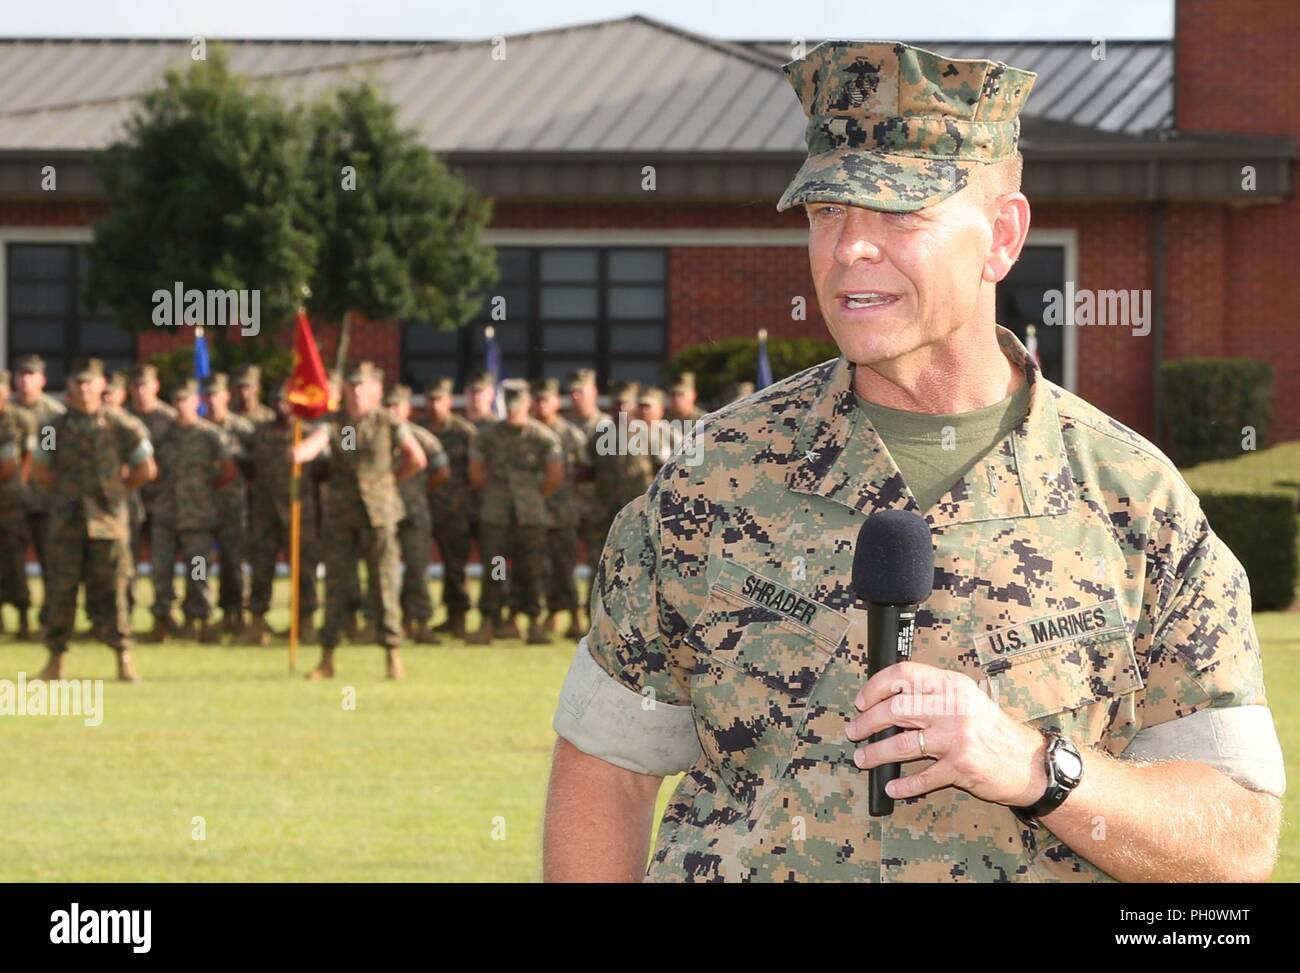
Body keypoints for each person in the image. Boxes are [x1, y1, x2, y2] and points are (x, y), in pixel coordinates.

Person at [543, 41, 1284, 883]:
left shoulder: (1134, 502)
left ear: (1001, 237)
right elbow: (607, 768)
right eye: (827, 211)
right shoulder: (711, 481)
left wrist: (1039, 766)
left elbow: (1235, 839)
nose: (849, 249)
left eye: (897, 213)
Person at [290, 362, 427, 679]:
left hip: (379, 517)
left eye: (362, 387)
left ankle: (392, 655)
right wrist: (301, 452)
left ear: (376, 391)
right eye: (351, 387)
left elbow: (416, 458)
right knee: (337, 584)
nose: (355, 393)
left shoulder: (388, 422)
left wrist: (388, 483)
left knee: (384, 583)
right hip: (342, 517)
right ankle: (327, 658)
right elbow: (318, 441)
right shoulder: (337, 424)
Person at [28, 357, 154, 682]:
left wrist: (119, 491)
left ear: (101, 386)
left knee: (114, 591)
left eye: (90, 383)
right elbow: (39, 469)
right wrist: (65, 493)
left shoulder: (122, 426)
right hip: (66, 523)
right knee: (61, 591)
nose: (84, 389)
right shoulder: (53, 429)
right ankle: (55, 663)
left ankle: (124, 660)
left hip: (108, 523)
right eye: (77, 383)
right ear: (69, 387)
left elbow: (146, 468)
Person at [466, 379, 563, 646]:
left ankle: (532, 624)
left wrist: (531, 496)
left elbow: (555, 477)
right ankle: (489, 622)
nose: (512, 407)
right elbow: (476, 473)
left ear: (527, 403)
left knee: (530, 570)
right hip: (496, 516)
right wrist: (498, 494)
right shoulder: (487, 435)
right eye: (508, 401)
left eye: (518, 401)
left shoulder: (543, 436)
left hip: (529, 517)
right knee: (495, 568)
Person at [144, 381, 237, 643]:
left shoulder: (210, 435)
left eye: (187, 400)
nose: (182, 406)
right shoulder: (162, 437)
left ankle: (200, 619)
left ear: (197, 402)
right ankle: (162, 619)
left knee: (198, 570)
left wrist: (204, 491)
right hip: (165, 514)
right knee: (161, 570)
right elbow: (150, 468)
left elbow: (228, 471)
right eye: (177, 401)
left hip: (198, 516)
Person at [246, 384, 320, 646]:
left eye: (287, 401)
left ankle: (305, 623)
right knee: (261, 568)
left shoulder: (309, 434)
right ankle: (257, 625)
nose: (281, 405)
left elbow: (326, 471)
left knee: (304, 570)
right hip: (265, 513)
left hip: (300, 512)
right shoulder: (258, 435)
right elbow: (247, 469)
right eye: (276, 400)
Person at [385, 384, 450, 644]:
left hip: (414, 512)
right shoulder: (378, 434)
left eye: (396, 405)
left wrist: (421, 489)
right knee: (384, 571)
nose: (391, 410)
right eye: (387, 405)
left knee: (417, 568)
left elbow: (442, 472)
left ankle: (421, 623)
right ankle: (389, 623)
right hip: (384, 514)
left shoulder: (420, 437)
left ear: (407, 408)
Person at [10, 353, 66, 638]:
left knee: (51, 561)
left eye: (31, 374)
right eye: (21, 374)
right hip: (11, 502)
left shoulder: (54, 415)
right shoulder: (4, 411)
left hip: (46, 503)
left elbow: (58, 459)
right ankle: (19, 618)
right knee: (10, 563)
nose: (25, 380)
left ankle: (49, 620)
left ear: (42, 379)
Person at [531, 378, 589, 639]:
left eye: (546, 399)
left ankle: (575, 618)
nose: (542, 405)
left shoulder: (571, 435)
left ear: (556, 402)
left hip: (564, 510)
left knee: (565, 565)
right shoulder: (528, 434)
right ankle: (550, 613)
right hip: (533, 511)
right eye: (538, 399)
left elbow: (586, 472)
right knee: (540, 566)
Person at [421, 378, 477, 639]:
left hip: (455, 509)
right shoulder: (419, 429)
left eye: (439, 400)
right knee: (417, 564)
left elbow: (476, 471)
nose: (434, 405)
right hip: (421, 506)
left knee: (455, 566)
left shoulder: (464, 431)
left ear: (449, 402)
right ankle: (417, 618)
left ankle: (458, 618)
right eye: (430, 399)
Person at [128, 363, 179, 638]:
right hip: (132, 502)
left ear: (156, 386)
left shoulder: (171, 419)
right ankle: (122, 617)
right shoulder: (123, 419)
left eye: (145, 385)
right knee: (127, 562)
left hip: (165, 502)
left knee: (163, 562)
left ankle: (164, 616)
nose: (140, 390)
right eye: (135, 385)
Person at [207, 373, 256, 639]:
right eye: (209, 395)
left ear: (226, 396)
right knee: (199, 562)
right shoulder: (198, 428)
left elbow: (255, 467)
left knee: (233, 562)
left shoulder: (243, 429)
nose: (213, 400)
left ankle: (236, 613)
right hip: (201, 507)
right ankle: (202, 614)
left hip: (234, 507)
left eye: (217, 394)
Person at [0, 372, 35, 637]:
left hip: (12, 503)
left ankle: (24, 618)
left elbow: (28, 458)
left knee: (15, 559)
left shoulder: (20, 419)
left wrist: (22, 486)